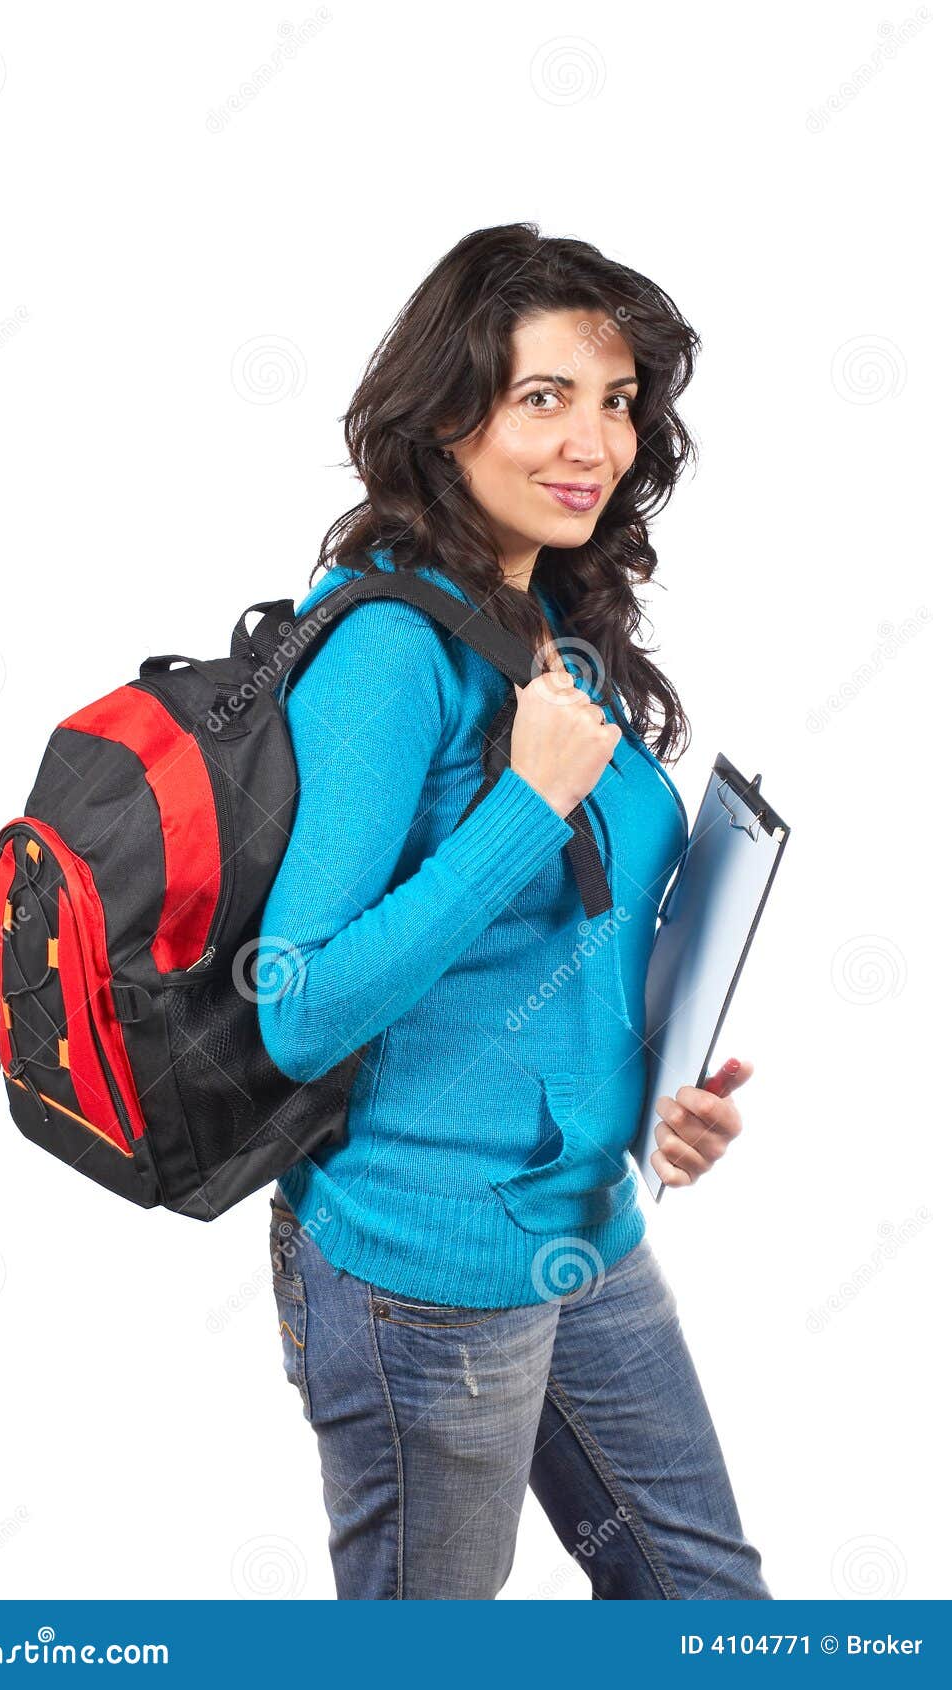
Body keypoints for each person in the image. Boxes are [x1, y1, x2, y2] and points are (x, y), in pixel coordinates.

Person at [255, 223, 771, 1601]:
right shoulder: (387, 650)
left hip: (583, 1224)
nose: (591, 441)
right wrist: (523, 807)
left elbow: (560, 947)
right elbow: (298, 1006)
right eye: (544, 397)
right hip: (423, 1267)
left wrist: (652, 1085)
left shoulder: (555, 617)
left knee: (707, 1609)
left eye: (615, 402)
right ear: (448, 418)